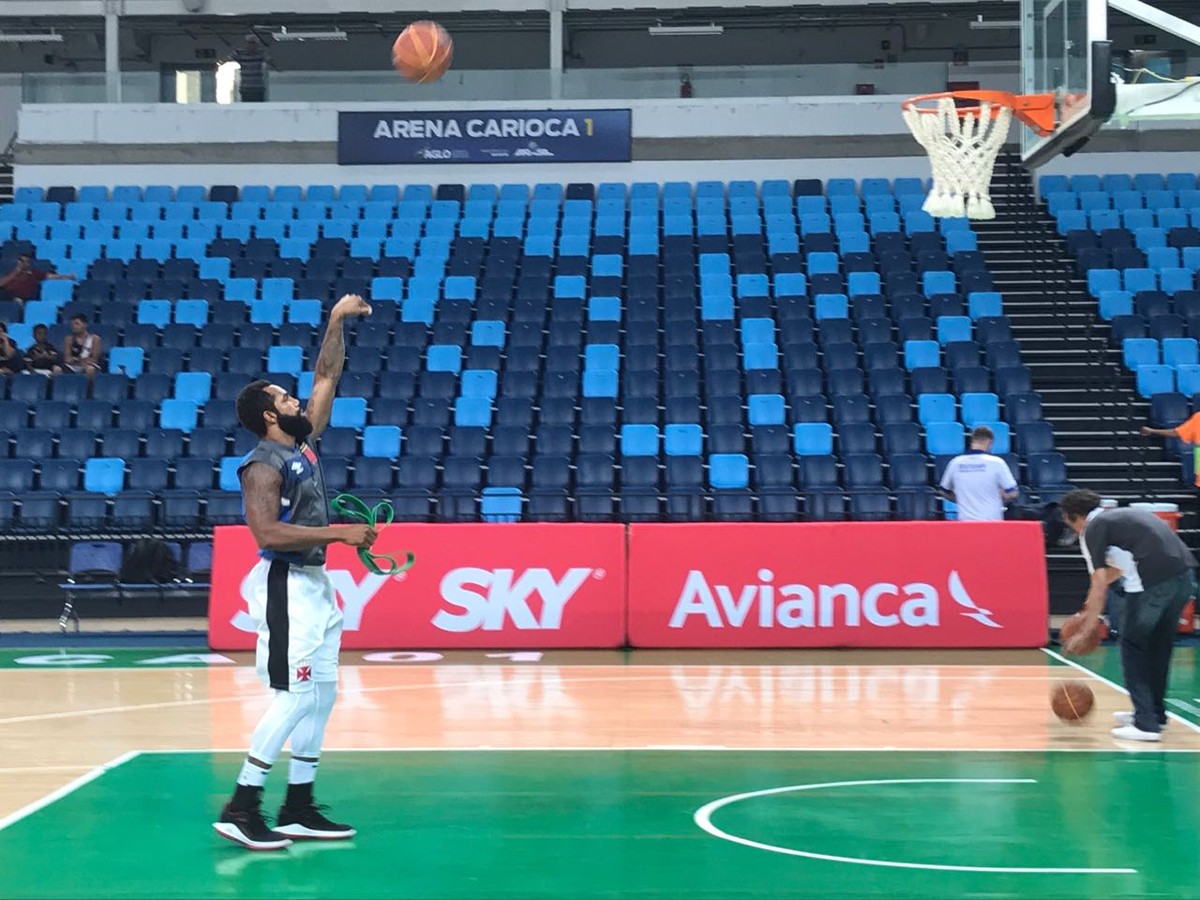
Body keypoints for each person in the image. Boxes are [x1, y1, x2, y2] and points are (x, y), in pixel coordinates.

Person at [213, 293, 376, 852]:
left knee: (322, 694)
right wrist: (338, 533)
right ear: (268, 415)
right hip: (284, 587)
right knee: (292, 696)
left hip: (314, 584)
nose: (296, 398)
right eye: (285, 396)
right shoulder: (262, 464)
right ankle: (241, 805)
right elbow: (266, 534)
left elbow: (328, 372)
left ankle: (298, 806)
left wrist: (335, 321)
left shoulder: (303, 441)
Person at [1060, 490, 1197, 742]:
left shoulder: (1093, 529)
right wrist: (1086, 610)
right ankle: (1154, 713)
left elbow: (1100, 584)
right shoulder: (1120, 518)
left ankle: (1145, 725)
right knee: (1158, 647)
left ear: (1075, 517)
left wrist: (1087, 629)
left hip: (1152, 584)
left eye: (1069, 522)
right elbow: (1115, 571)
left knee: (1132, 645)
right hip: (1184, 579)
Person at [937, 425, 1020, 521]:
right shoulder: (997, 463)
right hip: (992, 521)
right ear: (990, 442)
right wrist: (1003, 495)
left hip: (965, 521)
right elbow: (1013, 493)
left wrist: (960, 499)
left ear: (972, 441)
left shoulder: (955, 463)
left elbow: (943, 491)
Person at [0, 253, 76, 310]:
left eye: (25, 261)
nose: (23, 264)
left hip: (25, 298)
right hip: (9, 297)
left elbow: (51, 276)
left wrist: (67, 276)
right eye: (21, 261)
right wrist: (15, 272)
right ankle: (14, 299)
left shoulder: (34, 273)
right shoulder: (11, 273)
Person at [230, 35, 271, 103]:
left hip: (258, 88)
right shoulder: (240, 54)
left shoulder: (260, 54)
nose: (252, 45)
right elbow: (227, 59)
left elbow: (271, 61)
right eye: (250, 43)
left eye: (254, 43)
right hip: (246, 88)